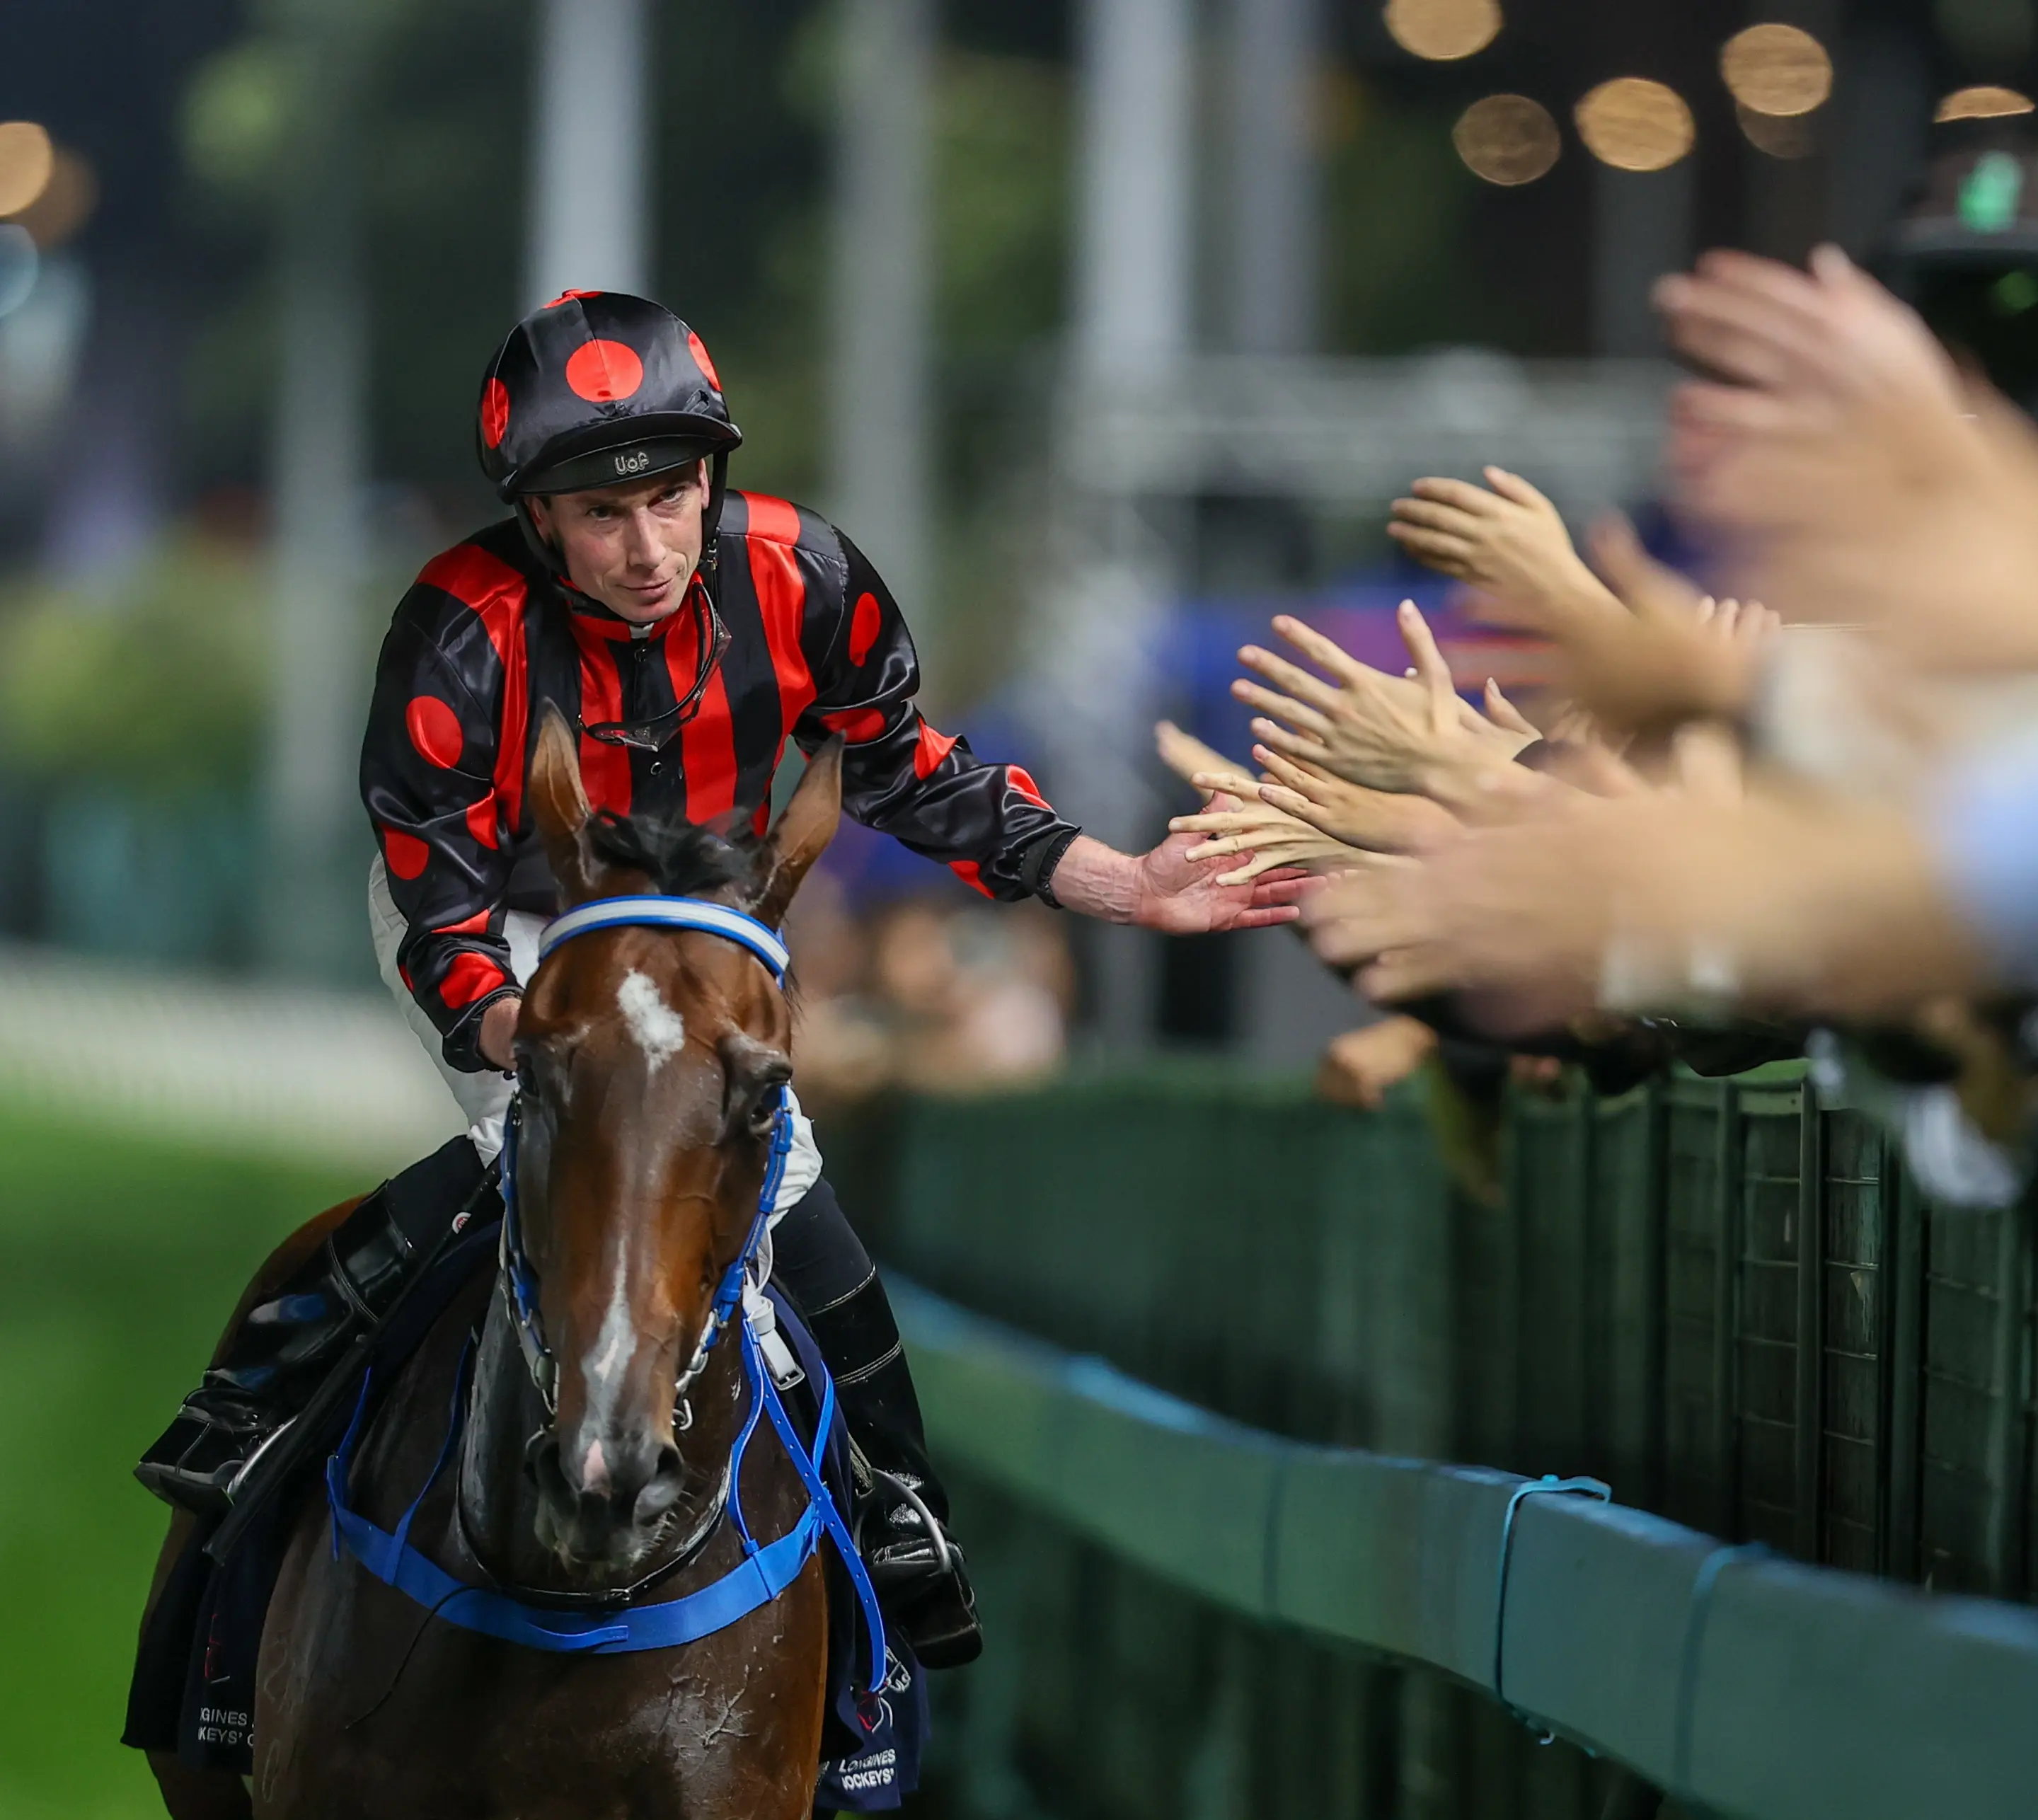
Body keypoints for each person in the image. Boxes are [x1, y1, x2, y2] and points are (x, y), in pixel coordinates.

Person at [136, 290, 1302, 1666]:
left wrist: (1127, 880)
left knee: (780, 1171)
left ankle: (899, 1504)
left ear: (713, 480)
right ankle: (259, 1414)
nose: (648, 549)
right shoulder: (457, 631)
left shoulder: (807, 577)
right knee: (542, 1133)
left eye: (674, 499)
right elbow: (438, 904)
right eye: (601, 516)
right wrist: (542, 1037)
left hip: (701, 912)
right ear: (538, 521)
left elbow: (910, 773)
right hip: (511, 914)